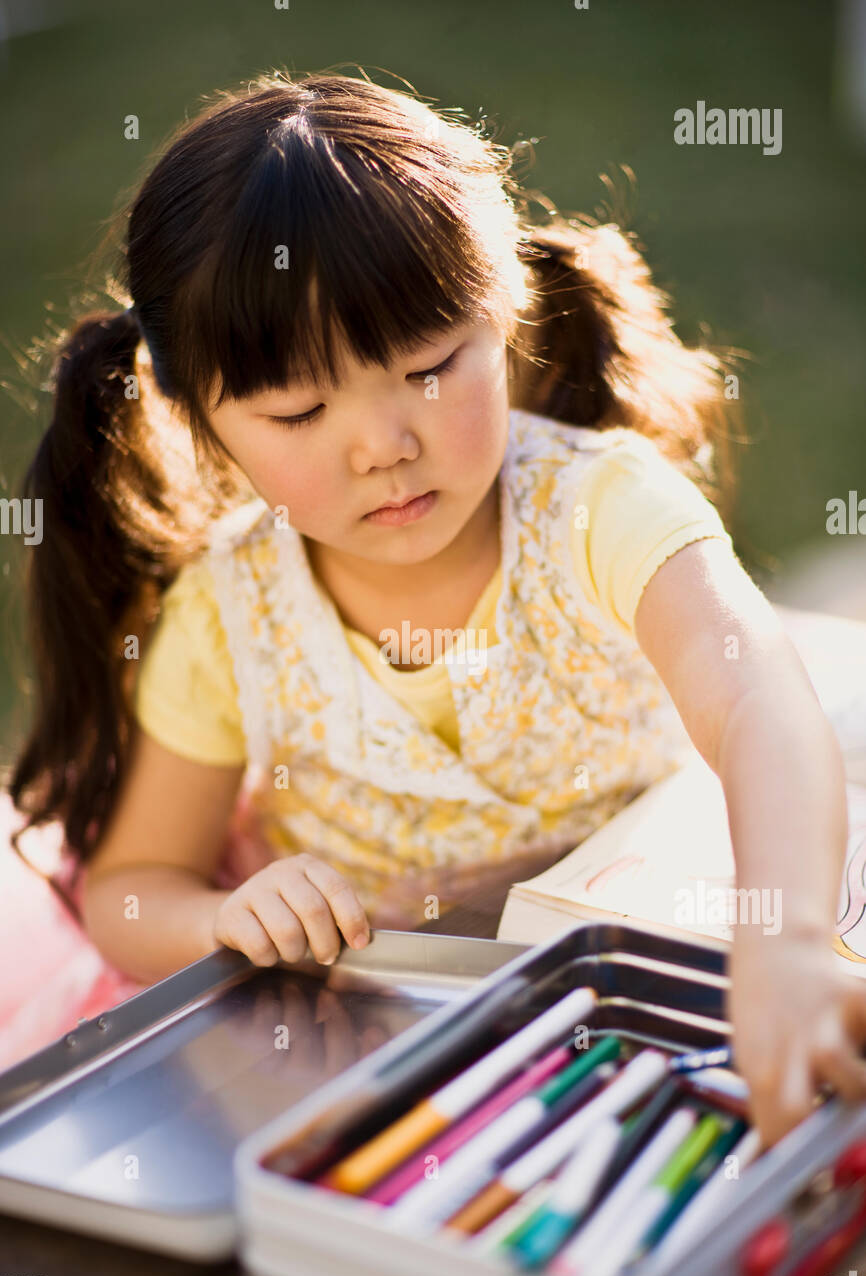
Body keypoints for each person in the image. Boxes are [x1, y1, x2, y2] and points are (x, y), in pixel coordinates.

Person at [5, 70, 866, 1149]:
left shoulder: (597, 506)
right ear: (203, 422)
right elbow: (131, 887)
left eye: (426, 367)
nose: (382, 445)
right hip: (390, 1051)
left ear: (502, 310)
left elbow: (758, 704)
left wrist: (783, 940)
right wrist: (224, 918)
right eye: (301, 409)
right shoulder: (232, 611)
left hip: (641, 1005)